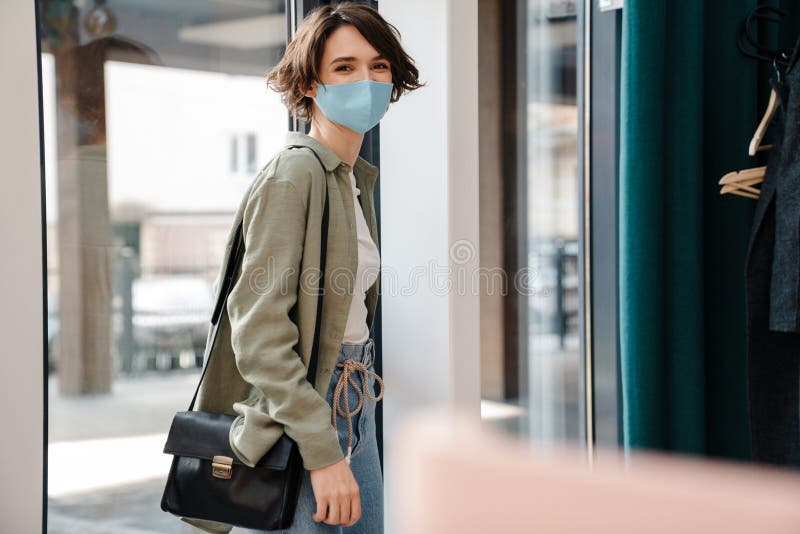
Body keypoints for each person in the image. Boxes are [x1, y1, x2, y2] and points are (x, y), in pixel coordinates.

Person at [211, 3, 422, 533]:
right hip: (315, 408)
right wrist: (324, 453)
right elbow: (258, 333)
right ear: (309, 84)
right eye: (345, 68)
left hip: (352, 395)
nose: (368, 80)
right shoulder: (296, 174)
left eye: (379, 66)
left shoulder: (349, 179)